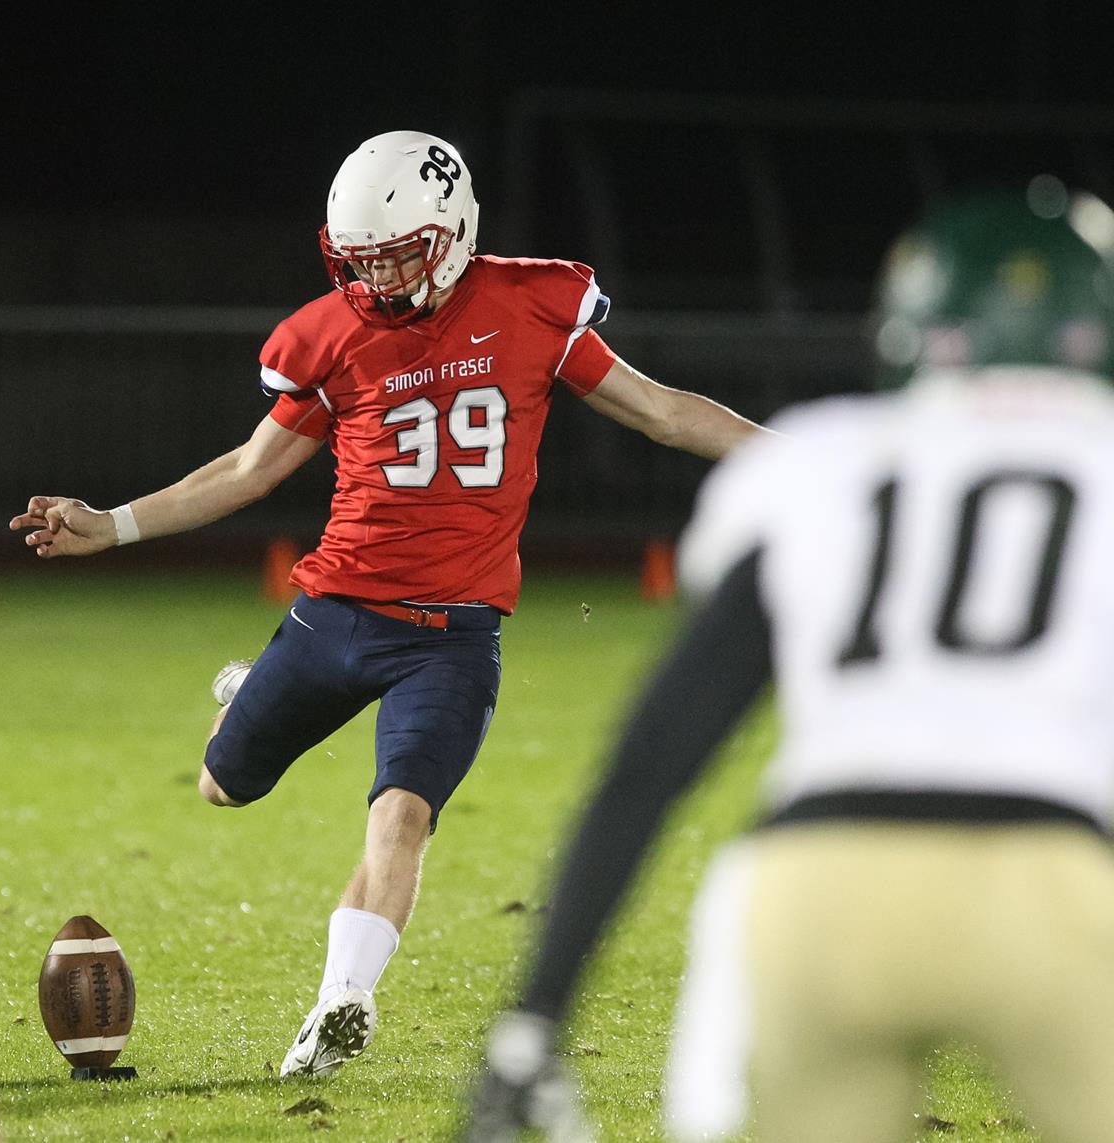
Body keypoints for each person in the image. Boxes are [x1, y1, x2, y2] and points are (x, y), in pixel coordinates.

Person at [10, 129, 765, 1078]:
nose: (378, 279)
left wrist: (792, 454)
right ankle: (251, 690)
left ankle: (340, 1003)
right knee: (221, 782)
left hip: (450, 638)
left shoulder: (533, 305)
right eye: (360, 261)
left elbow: (660, 409)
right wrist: (111, 525)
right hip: (335, 616)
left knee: (400, 816)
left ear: (452, 233)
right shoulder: (331, 336)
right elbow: (246, 472)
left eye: (398, 255)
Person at [461, 181, 1114, 1143]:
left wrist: (535, 1017)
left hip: (818, 885)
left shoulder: (821, 459)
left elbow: (653, 759)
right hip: (1051, 881)